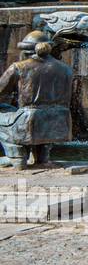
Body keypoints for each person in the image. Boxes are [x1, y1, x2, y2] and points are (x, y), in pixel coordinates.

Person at [0, 29, 74, 170]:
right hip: (60, 122)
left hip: (30, 121)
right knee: (22, 112)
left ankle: (17, 156)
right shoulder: (66, 69)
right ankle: (43, 157)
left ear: (25, 51)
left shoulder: (19, 67)